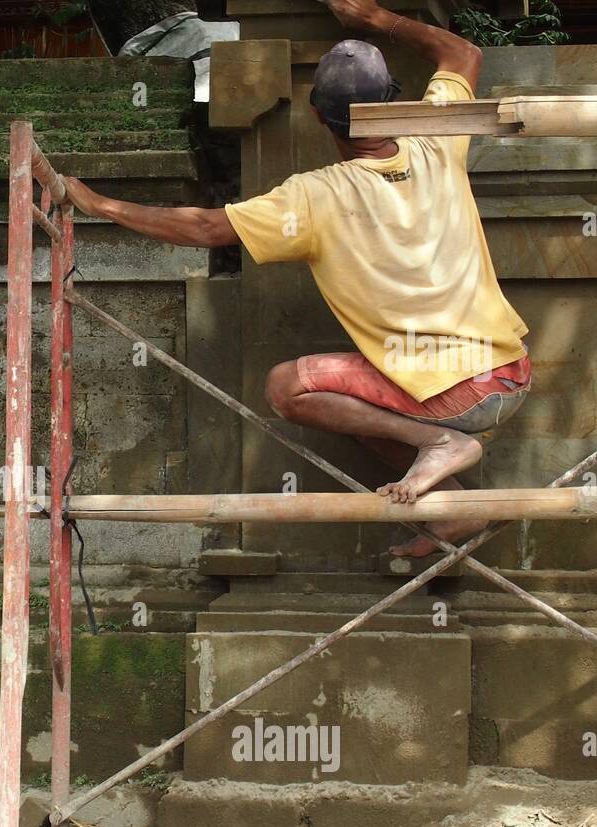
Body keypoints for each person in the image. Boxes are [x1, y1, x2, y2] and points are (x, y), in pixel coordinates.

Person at [63, 0, 531, 557]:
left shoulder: (314, 197)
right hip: (507, 377)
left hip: (451, 400)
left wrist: (102, 205)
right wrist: (376, 19)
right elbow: (462, 52)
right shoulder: (440, 141)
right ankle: (451, 507)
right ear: (393, 102)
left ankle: (439, 444)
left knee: (290, 387)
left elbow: (209, 227)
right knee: (359, 413)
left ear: (317, 116)